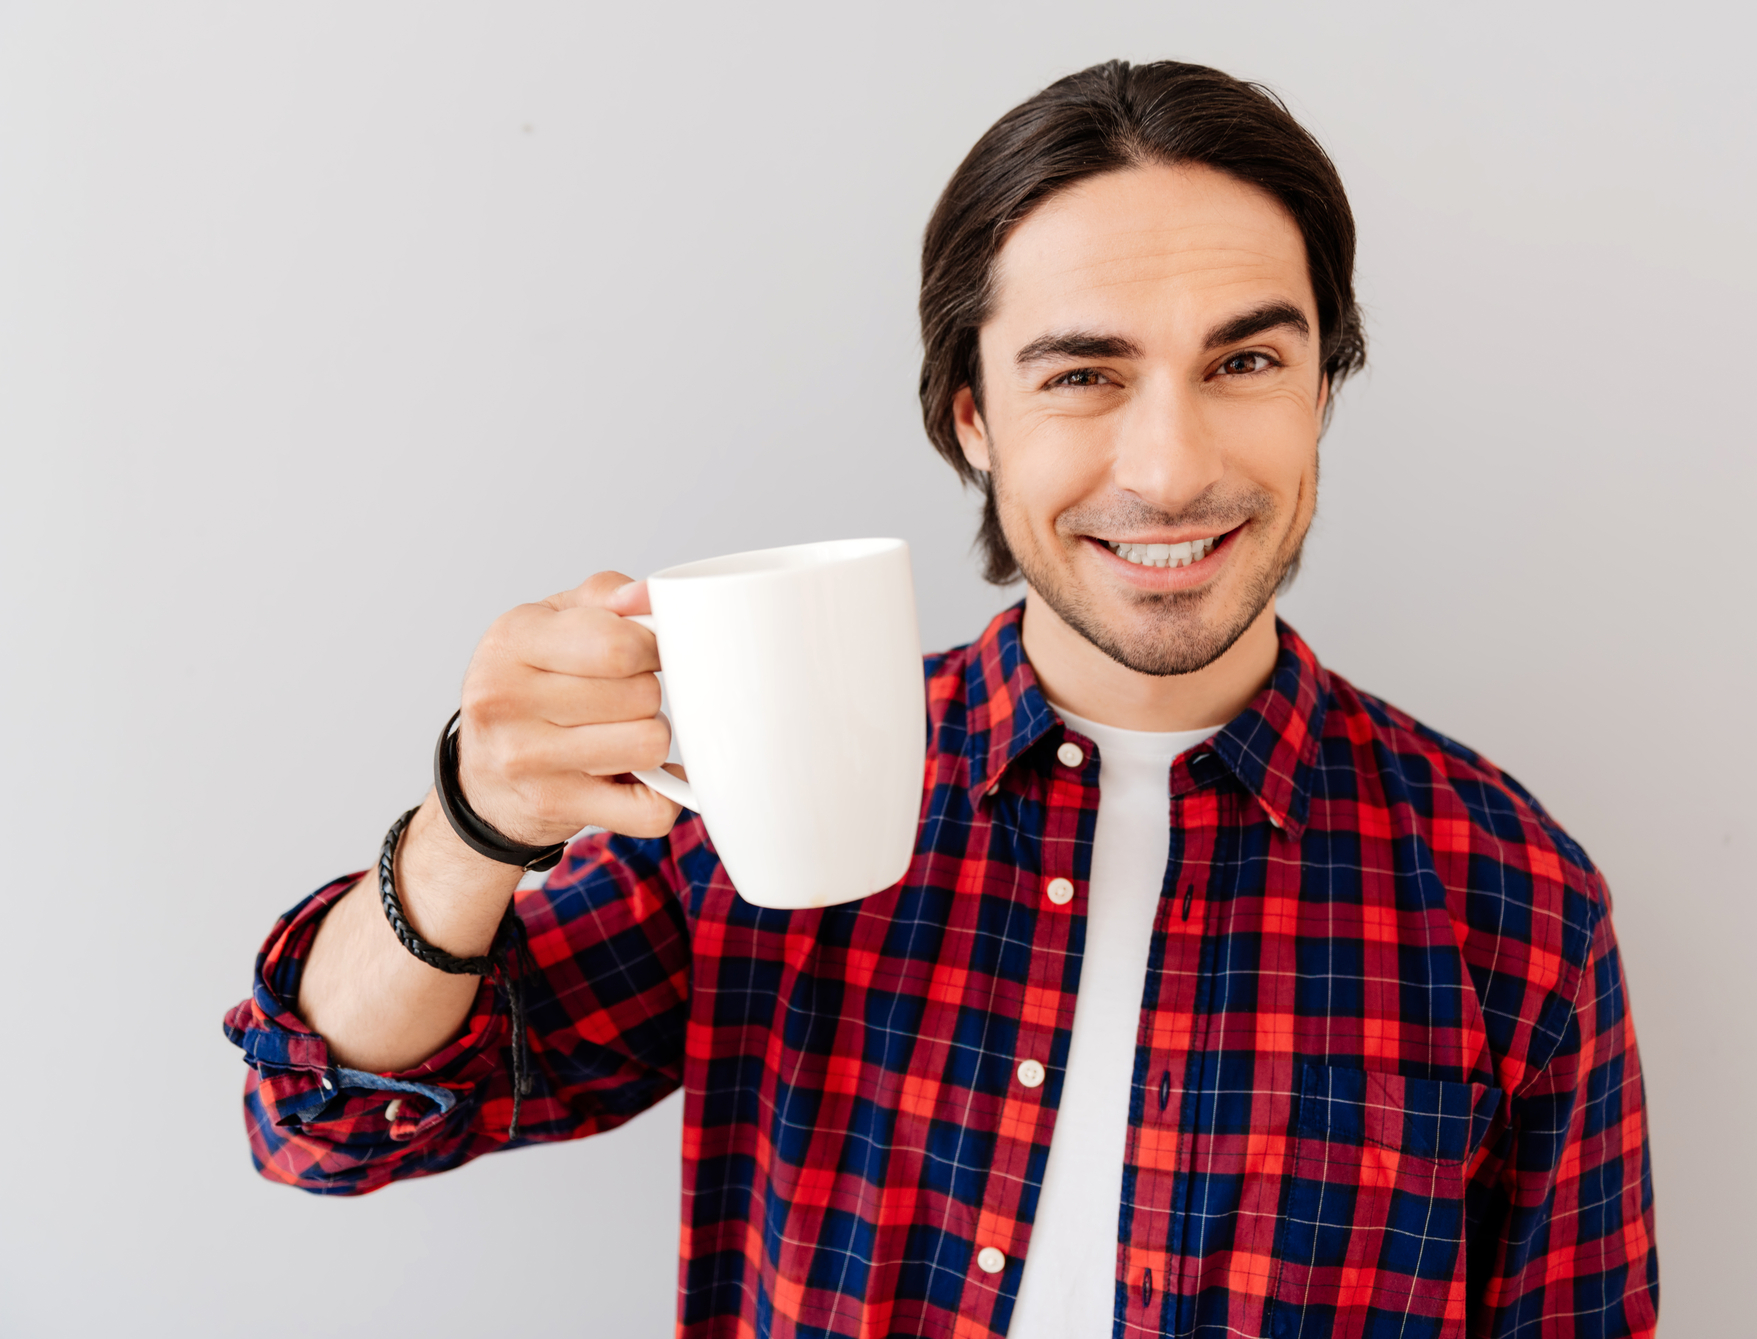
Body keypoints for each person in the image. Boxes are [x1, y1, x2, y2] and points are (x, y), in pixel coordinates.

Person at [225, 59, 1657, 1339]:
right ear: (972, 418)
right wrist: (473, 825)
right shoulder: (762, 795)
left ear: (1322, 390)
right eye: (1082, 374)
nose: (1171, 467)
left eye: (1246, 361)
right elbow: (322, 1121)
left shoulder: (1512, 899)